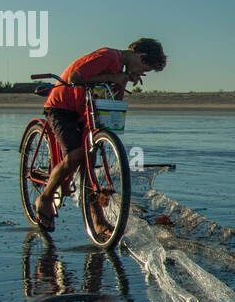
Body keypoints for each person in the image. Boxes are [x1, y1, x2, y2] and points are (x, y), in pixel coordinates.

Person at [33, 38, 168, 233]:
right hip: (62, 107)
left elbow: (113, 103)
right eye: (143, 68)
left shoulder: (119, 71)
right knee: (76, 155)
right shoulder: (109, 56)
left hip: (85, 114)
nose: (140, 74)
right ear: (140, 56)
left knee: (89, 165)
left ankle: (97, 220)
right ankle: (45, 198)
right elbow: (75, 78)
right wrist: (114, 77)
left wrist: (121, 82)